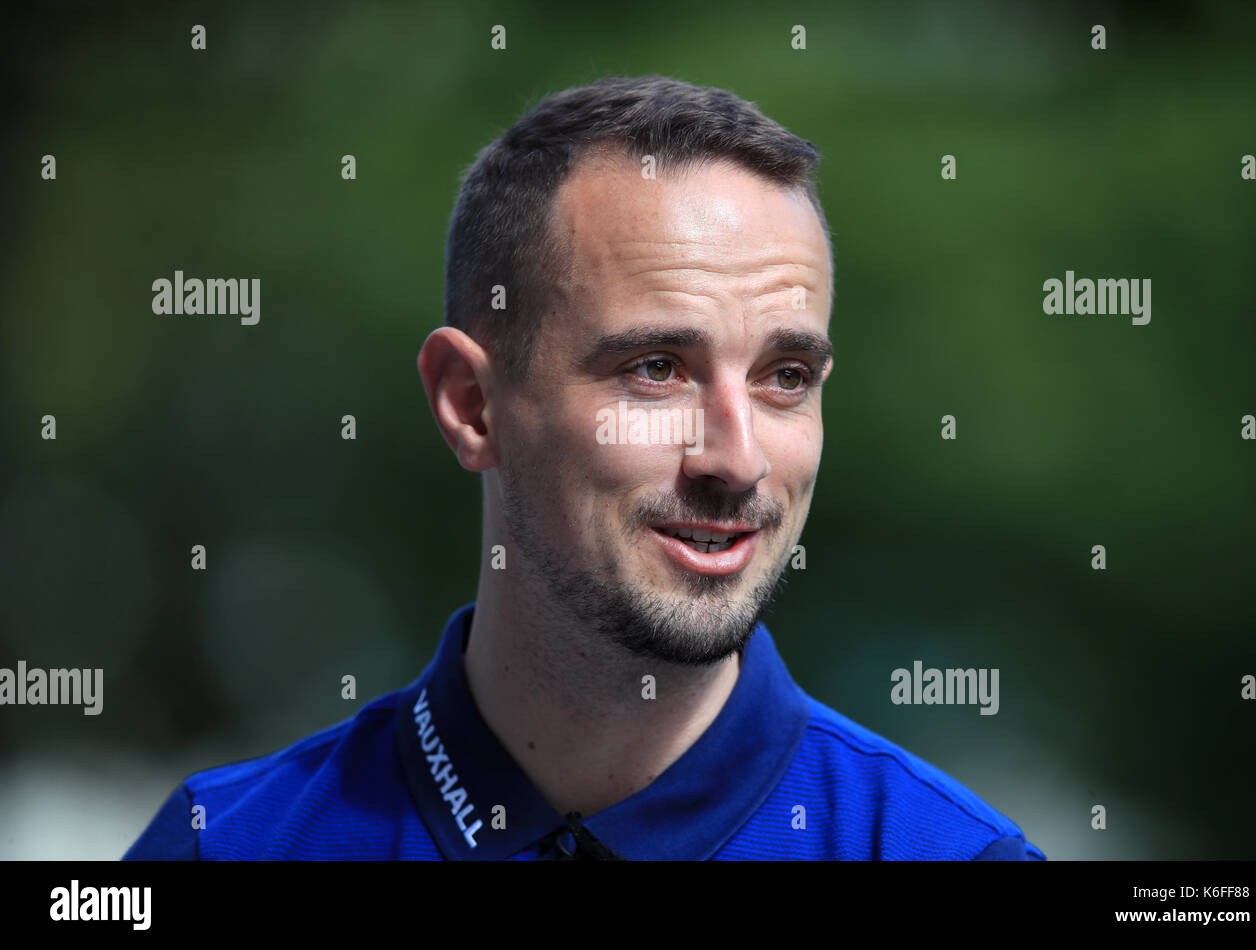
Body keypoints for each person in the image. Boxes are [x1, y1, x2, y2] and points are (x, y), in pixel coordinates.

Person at [124, 75, 1044, 860]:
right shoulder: (229, 844)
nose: (738, 458)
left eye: (785, 377)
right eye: (657, 368)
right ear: (472, 405)